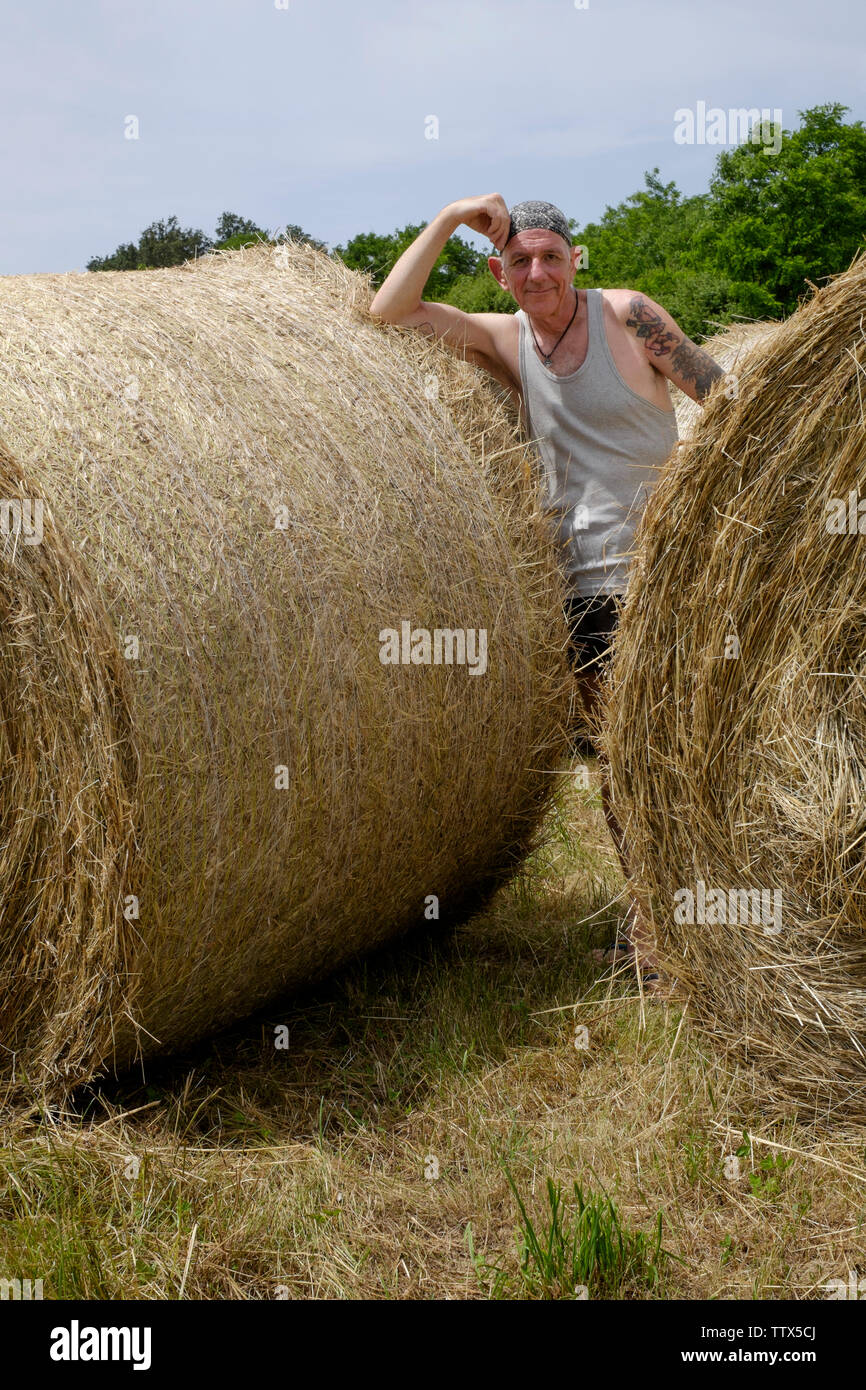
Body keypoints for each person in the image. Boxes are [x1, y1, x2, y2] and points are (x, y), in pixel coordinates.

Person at [369, 193, 724, 984]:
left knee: (676, 751)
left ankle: (708, 928)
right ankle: (653, 933)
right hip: (580, 586)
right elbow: (389, 312)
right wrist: (453, 216)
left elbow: (726, 403)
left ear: (574, 260)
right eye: (520, 261)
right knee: (617, 768)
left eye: (551, 256)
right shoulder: (506, 338)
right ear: (501, 273)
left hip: (663, 575)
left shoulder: (629, 316)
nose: (537, 271)